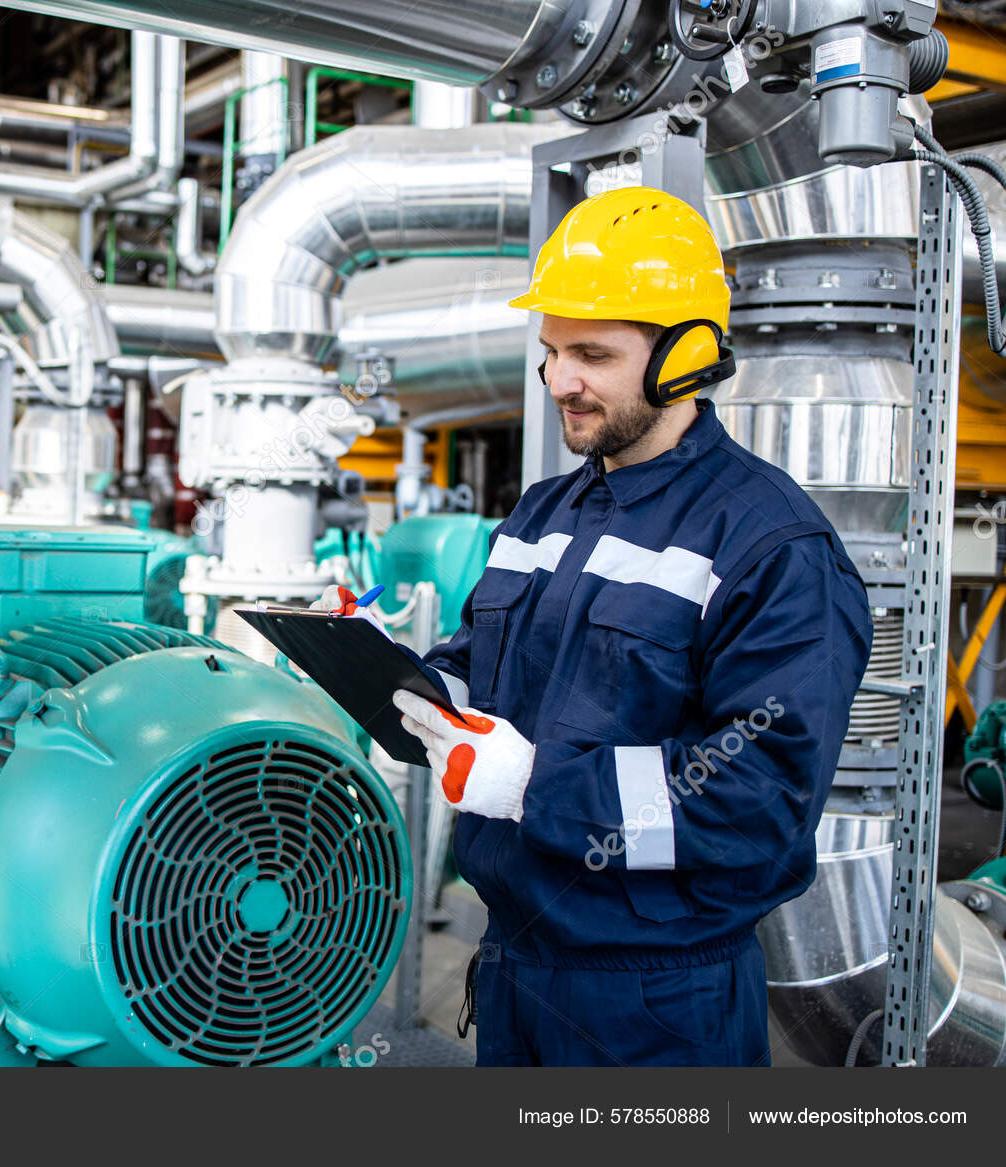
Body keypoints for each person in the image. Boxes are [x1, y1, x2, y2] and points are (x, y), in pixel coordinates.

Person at [321, 186, 873, 1065]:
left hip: (657, 1003)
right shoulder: (542, 513)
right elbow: (483, 663)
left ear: (688, 355)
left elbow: (759, 802)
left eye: (591, 354)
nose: (558, 381)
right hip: (515, 967)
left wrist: (532, 784)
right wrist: (404, 680)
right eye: (550, 350)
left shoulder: (770, 546)